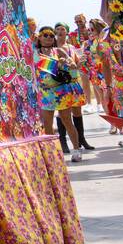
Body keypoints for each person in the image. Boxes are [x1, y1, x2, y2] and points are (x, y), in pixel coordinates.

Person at [35, 26, 85, 162]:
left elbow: (73, 64)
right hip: (45, 92)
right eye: (45, 35)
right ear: (39, 37)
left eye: (52, 35)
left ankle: (76, 150)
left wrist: (66, 62)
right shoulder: (34, 53)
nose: (49, 37)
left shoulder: (58, 51)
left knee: (67, 121)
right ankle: (52, 154)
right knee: (47, 125)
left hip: (61, 91)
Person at [54, 22, 95, 152]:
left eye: (62, 29)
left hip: (74, 82)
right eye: (58, 29)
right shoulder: (52, 48)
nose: (60, 31)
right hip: (60, 84)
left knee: (77, 112)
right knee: (62, 114)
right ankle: (63, 141)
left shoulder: (71, 47)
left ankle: (81, 139)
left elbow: (77, 65)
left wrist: (81, 62)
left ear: (66, 32)